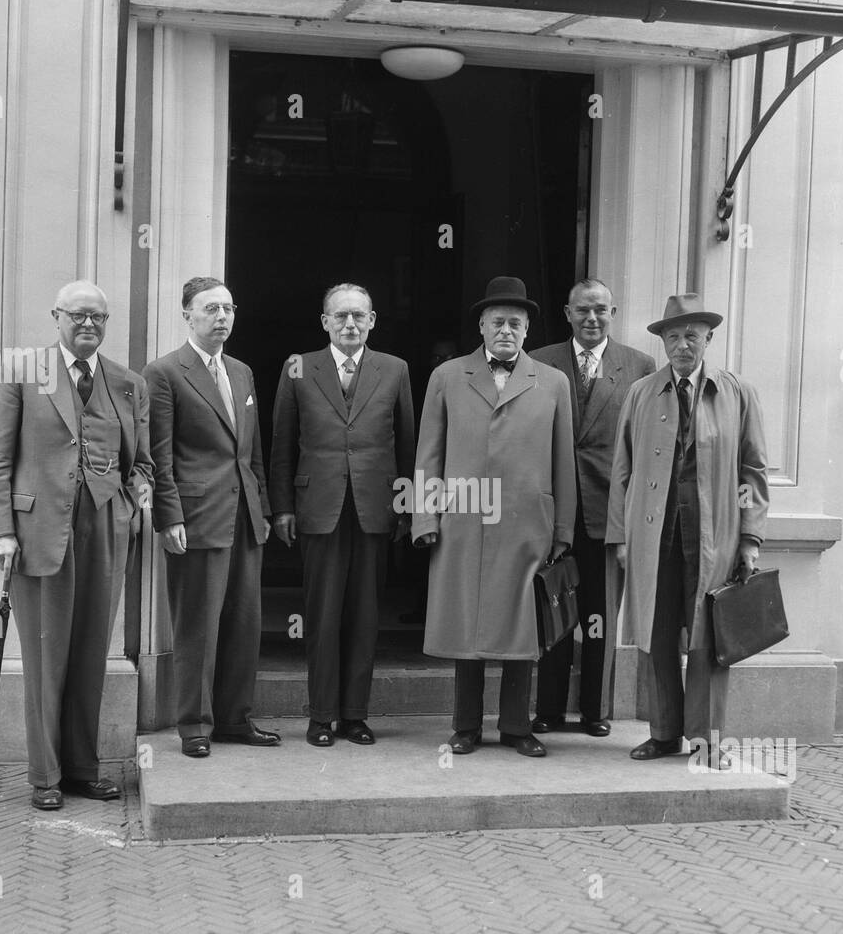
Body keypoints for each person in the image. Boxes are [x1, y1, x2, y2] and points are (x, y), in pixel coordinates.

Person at [0, 280, 153, 810]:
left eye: (98, 318)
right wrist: (1, 530)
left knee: (91, 655)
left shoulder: (126, 383)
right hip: (39, 535)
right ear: (57, 316)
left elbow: (140, 460)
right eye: (78, 316)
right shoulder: (22, 373)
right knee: (46, 656)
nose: (89, 326)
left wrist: (134, 496)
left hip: (104, 529)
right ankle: (45, 778)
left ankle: (82, 769)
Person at [411, 276, 577, 758]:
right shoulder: (447, 376)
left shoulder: (553, 382)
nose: (506, 330)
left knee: (520, 628)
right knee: (468, 622)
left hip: (528, 523)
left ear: (527, 331)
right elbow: (429, 455)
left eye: (516, 324)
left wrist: (562, 528)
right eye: (498, 322)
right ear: (482, 326)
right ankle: (465, 725)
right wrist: (425, 519)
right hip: (462, 519)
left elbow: (563, 460)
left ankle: (514, 725)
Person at [605, 293, 769, 763]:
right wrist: (620, 537)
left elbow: (753, 471)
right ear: (662, 342)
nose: (682, 345)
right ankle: (663, 733)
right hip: (654, 535)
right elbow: (622, 470)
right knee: (658, 636)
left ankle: (706, 740)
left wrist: (751, 539)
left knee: (707, 641)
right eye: (673, 336)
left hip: (713, 537)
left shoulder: (736, 393)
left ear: (708, 339)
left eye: (692, 336)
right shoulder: (641, 393)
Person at [269, 283, 415, 747]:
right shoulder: (298, 368)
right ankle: (320, 717)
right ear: (325, 322)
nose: (350, 324)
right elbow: (281, 445)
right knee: (322, 613)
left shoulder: (395, 369)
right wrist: (283, 508)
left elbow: (408, 443)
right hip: (319, 507)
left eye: (359, 316)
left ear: (372, 320)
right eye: (341, 316)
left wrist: (408, 506)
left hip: (375, 507)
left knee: (365, 615)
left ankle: (355, 716)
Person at [143, 278, 275, 759]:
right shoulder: (165, 372)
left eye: (228, 308)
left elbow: (252, 451)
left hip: (244, 517)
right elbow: (159, 453)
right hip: (196, 517)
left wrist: (261, 507)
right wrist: (168, 516)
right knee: (198, 624)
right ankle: (195, 725)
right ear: (187, 316)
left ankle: (235, 718)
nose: (222, 317)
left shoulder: (241, 372)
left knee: (244, 620)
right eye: (210, 309)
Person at [529, 279, 655, 739]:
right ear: (566, 313)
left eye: (600, 310)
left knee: (600, 614)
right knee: (553, 608)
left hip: (608, 511)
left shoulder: (640, 366)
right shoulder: (541, 362)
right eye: (582, 310)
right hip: (553, 512)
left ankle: (595, 709)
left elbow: (644, 446)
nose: (591, 319)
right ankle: (548, 710)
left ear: (613, 312)